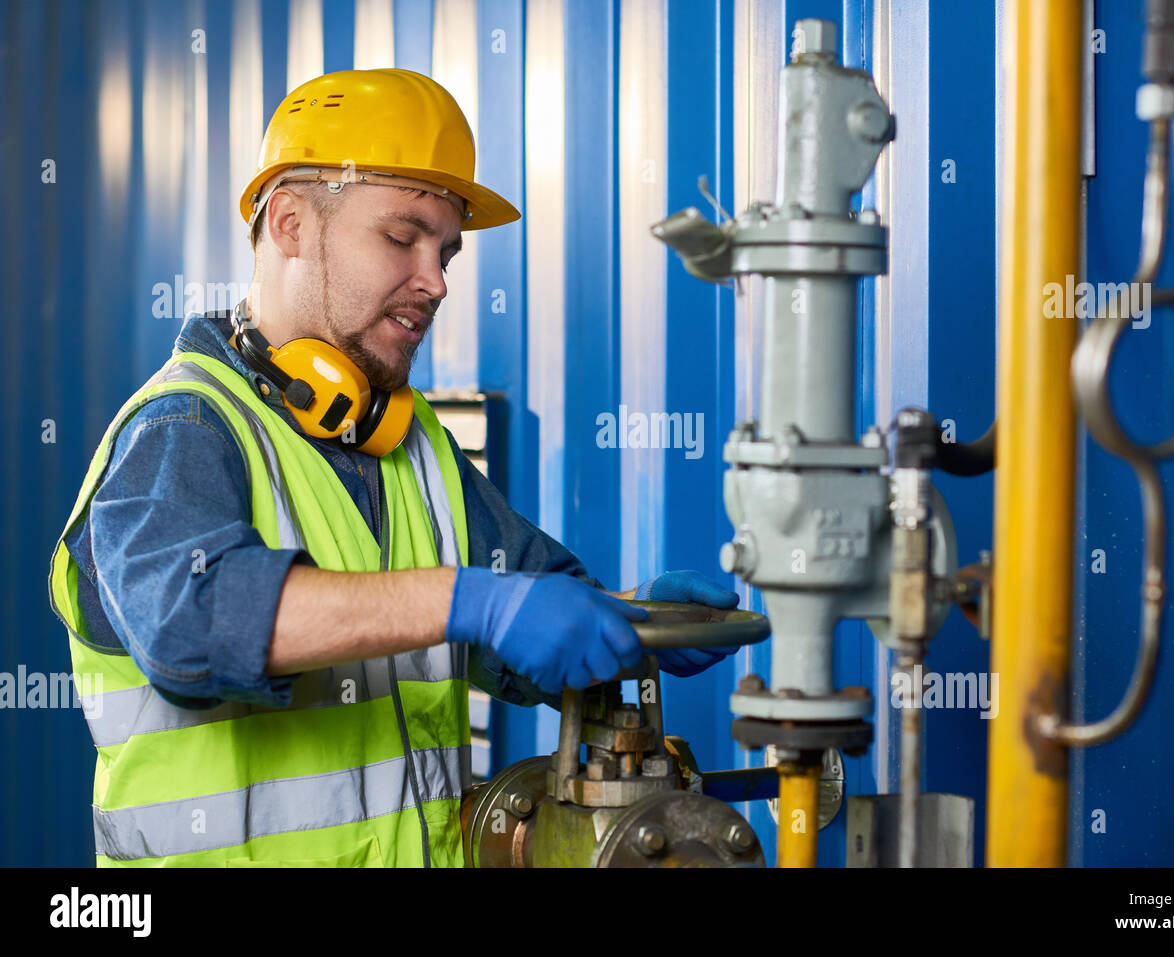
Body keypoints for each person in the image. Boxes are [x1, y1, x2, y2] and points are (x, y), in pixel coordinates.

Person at [48, 68, 739, 868]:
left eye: (445, 250)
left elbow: (525, 609)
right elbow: (192, 621)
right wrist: (471, 602)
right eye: (401, 236)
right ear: (291, 223)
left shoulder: (412, 446)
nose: (437, 280)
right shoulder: (183, 429)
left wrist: (631, 618)